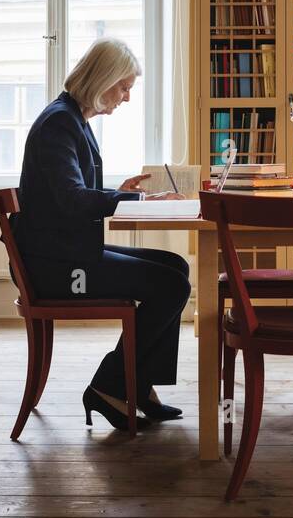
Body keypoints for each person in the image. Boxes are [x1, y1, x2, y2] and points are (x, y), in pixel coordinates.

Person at [11, 37, 191, 431]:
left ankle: (137, 384)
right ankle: (110, 386)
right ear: (103, 79)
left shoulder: (70, 118)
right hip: (57, 267)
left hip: (64, 252)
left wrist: (125, 194)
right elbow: (73, 199)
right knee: (172, 285)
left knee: (175, 266)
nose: (126, 97)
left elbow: (68, 192)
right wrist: (131, 201)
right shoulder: (60, 122)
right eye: (124, 87)